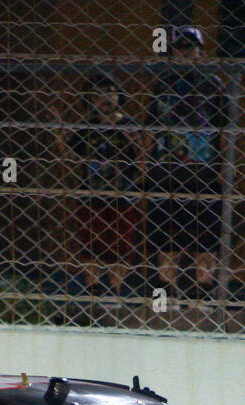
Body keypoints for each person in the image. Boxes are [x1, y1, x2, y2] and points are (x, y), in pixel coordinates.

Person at [143, 25, 230, 304]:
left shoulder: (213, 84)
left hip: (203, 171)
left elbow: (225, 130)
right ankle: (165, 291)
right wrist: (146, 165)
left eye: (190, 48)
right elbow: (151, 127)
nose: (185, 53)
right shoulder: (163, 85)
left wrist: (224, 167)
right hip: (167, 170)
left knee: (204, 237)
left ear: (201, 52)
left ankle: (201, 293)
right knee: (166, 237)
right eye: (180, 48)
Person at [55, 72, 142, 302]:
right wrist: (62, 139)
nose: (105, 98)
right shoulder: (88, 126)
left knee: (120, 247)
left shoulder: (128, 124)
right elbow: (72, 158)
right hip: (91, 193)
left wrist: (133, 139)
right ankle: (93, 291)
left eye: (110, 93)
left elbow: (143, 157)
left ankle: (115, 292)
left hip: (123, 194)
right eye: (99, 94)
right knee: (91, 244)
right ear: (90, 100)